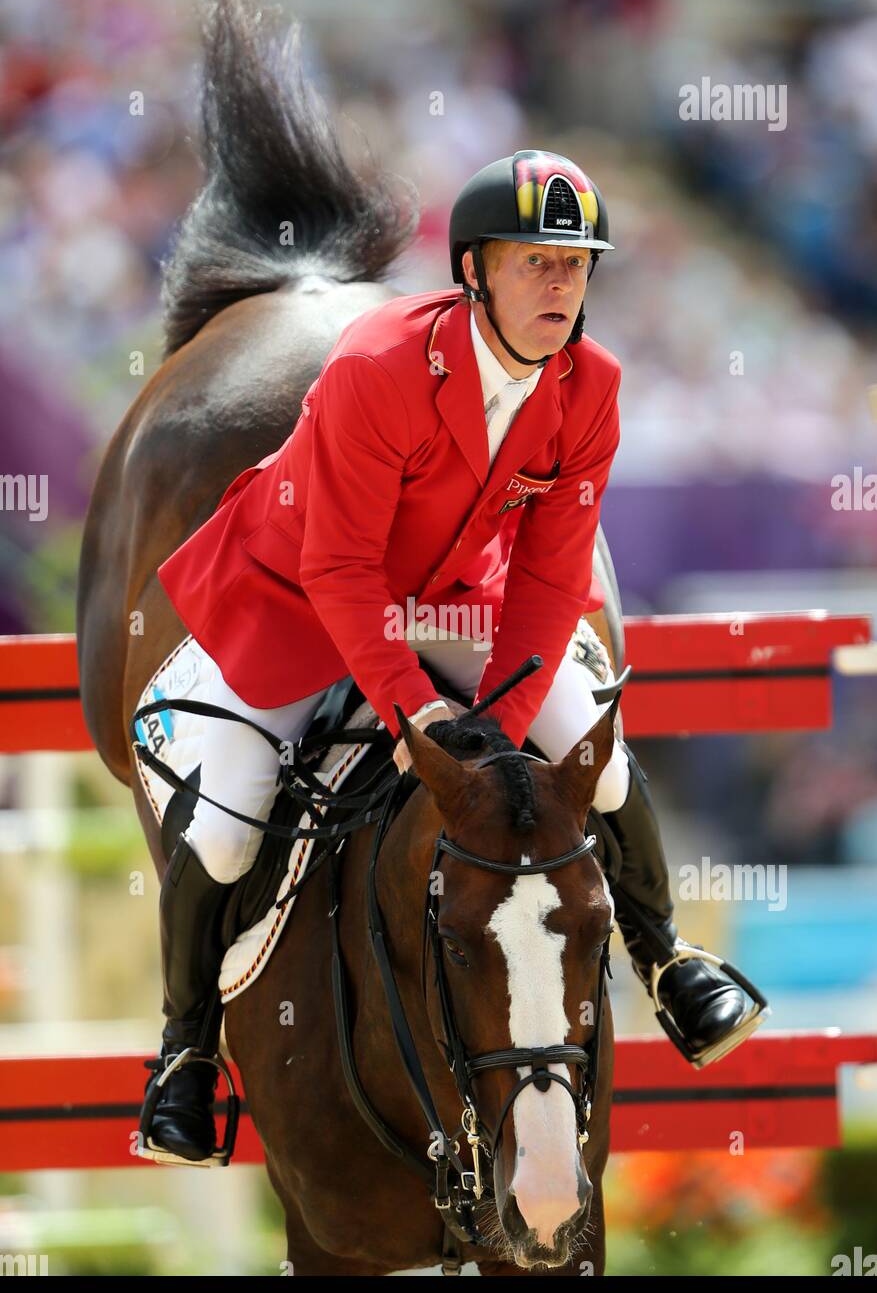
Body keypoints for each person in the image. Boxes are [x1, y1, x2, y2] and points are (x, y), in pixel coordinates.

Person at [140, 149, 759, 1167]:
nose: (559, 285)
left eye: (574, 265)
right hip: (294, 591)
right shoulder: (379, 365)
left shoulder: (589, 386)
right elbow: (337, 566)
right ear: (472, 271)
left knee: (591, 760)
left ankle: (666, 955)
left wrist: (501, 738)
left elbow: (553, 582)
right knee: (225, 833)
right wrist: (414, 721)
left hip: (448, 601)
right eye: (533, 262)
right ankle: (185, 1055)